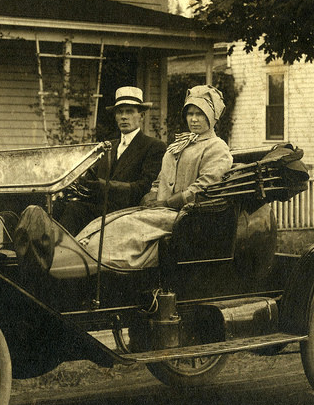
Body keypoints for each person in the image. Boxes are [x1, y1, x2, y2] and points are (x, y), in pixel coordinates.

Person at [75, 84, 234, 269]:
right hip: (161, 211)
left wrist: (167, 203)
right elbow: (160, 179)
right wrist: (151, 195)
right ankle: (88, 255)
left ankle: (100, 263)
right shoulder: (180, 144)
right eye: (190, 114)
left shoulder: (216, 147)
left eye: (200, 114)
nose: (194, 119)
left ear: (212, 117)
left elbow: (205, 187)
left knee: (127, 225)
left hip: (186, 215)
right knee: (114, 220)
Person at [58, 86, 165, 234]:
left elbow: (143, 187)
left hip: (127, 212)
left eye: (130, 111)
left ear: (141, 116)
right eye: (120, 112)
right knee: (57, 205)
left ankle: (57, 254)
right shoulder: (108, 146)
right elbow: (91, 177)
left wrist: (102, 186)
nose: (124, 117)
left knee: (74, 210)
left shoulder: (153, 146)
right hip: (100, 209)